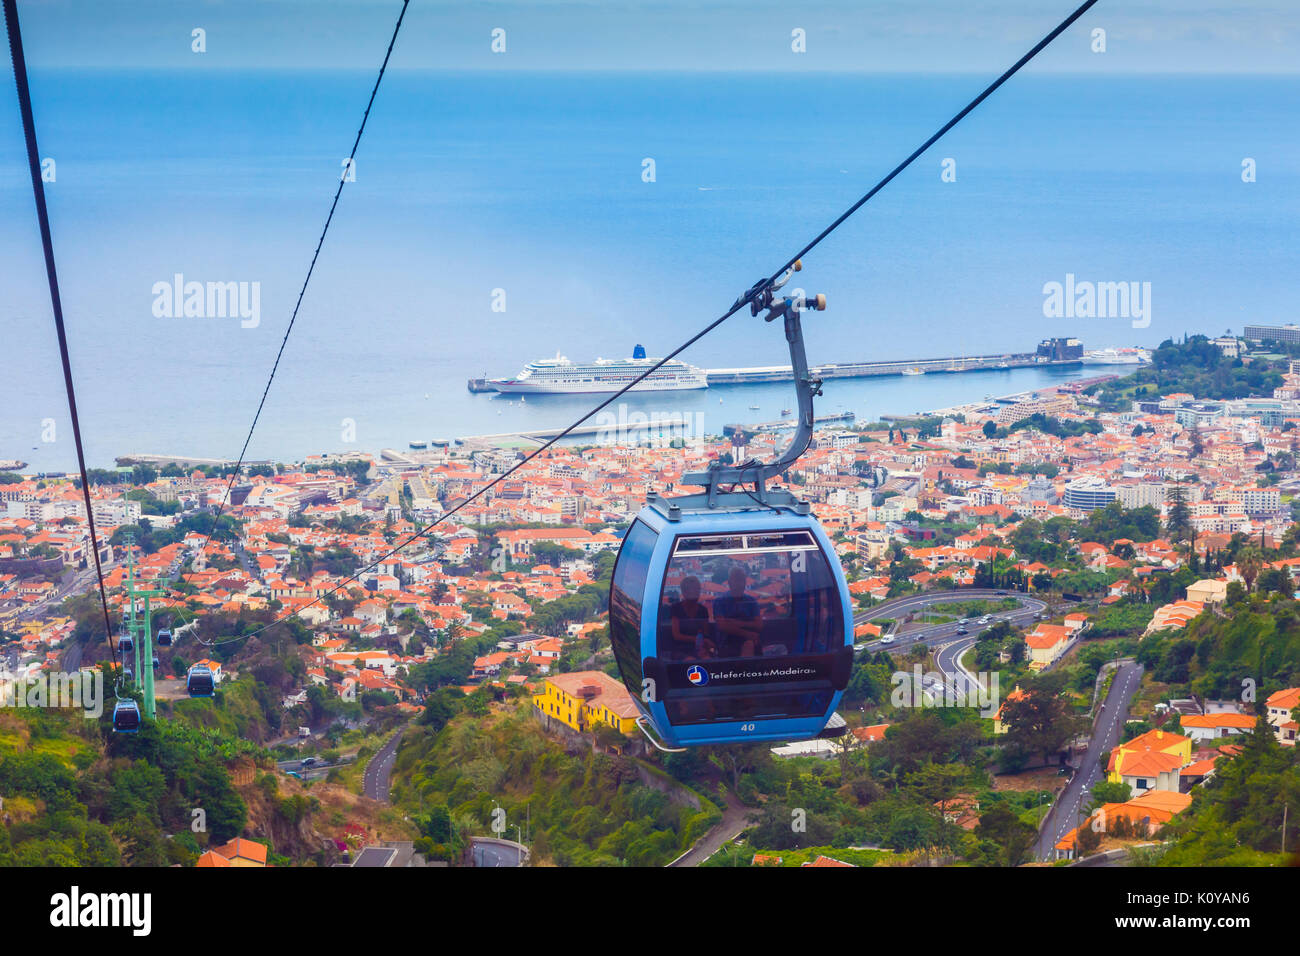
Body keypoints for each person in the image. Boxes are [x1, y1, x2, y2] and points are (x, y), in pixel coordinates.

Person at [712, 565, 763, 656]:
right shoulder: (719, 601)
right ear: (729, 582)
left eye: (741, 580)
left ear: (745, 583)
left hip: (749, 641)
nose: (739, 584)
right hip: (726, 643)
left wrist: (735, 623)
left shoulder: (751, 601)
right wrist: (747, 633)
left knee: (749, 645)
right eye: (736, 580)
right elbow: (722, 626)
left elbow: (759, 625)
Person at [669, 575, 714, 659]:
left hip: (699, 648)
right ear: (684, 592)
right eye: (694, 589)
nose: (697, 592)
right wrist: (698, 640)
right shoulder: (675, 608)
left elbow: (705, 633)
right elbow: (676, 635)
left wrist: (705, 645)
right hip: (680, 649)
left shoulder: (703, 610)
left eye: (698, 589)